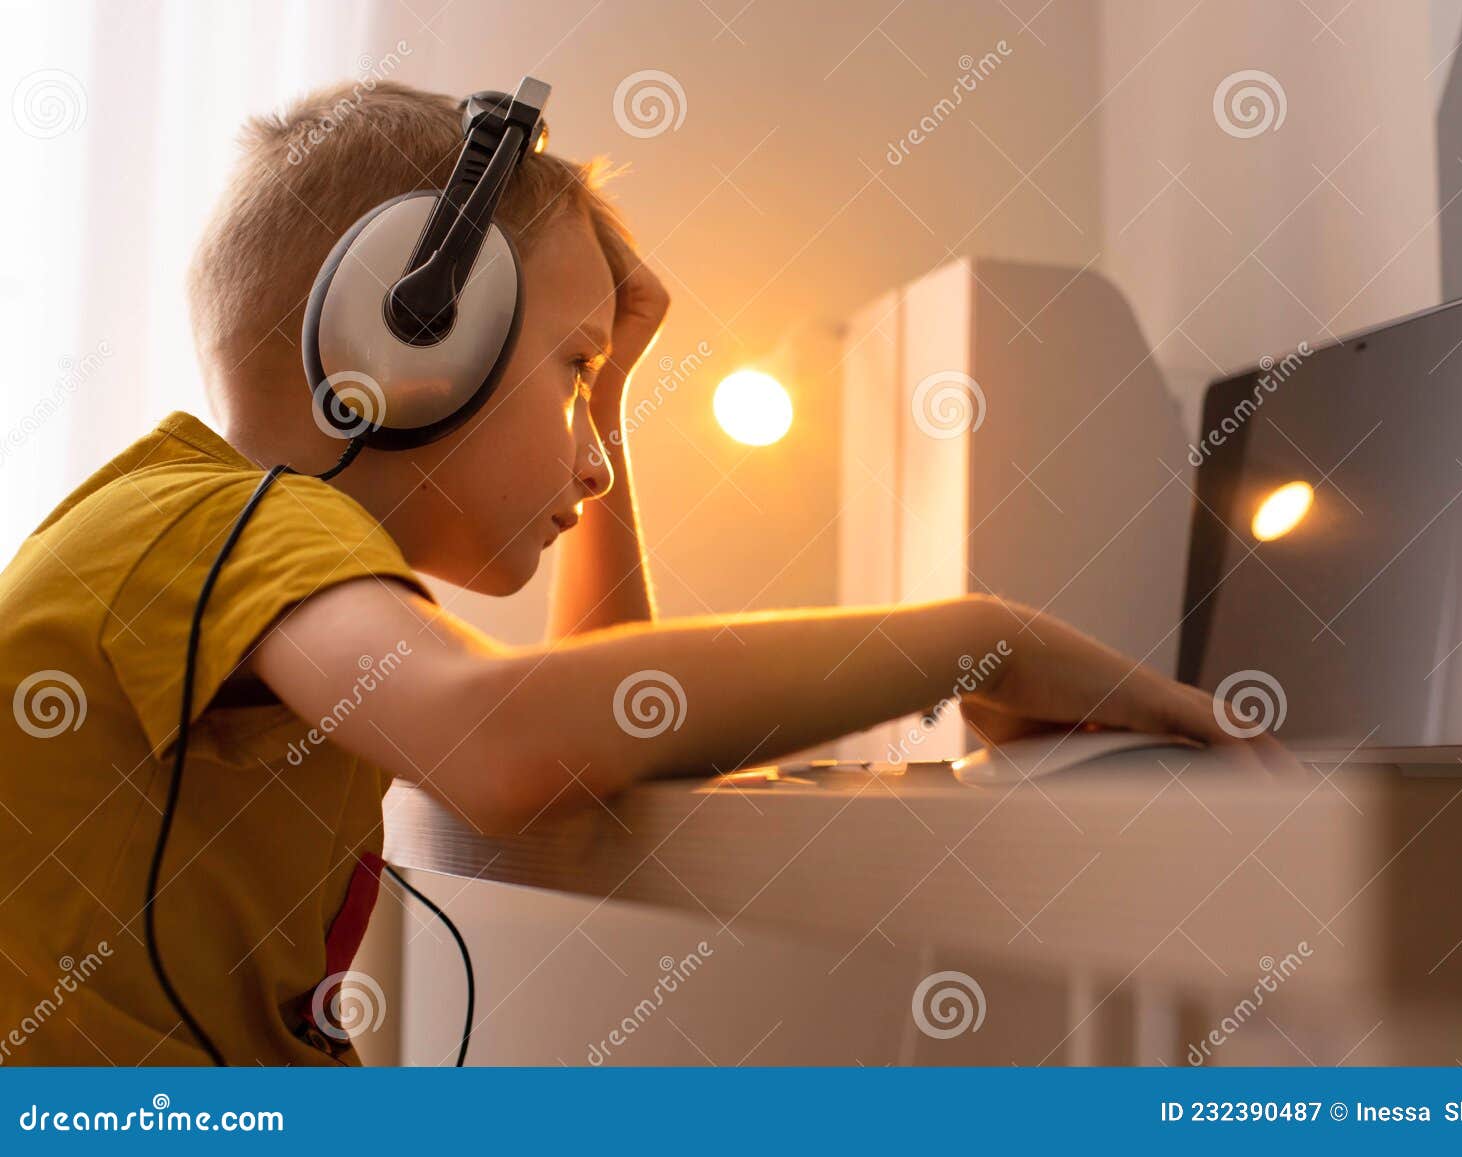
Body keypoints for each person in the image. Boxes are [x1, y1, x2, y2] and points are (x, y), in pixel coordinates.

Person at [0, 80, 1281, 1067]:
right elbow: (499, 743)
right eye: (570, 370)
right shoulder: (239, 529)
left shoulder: (228, 538)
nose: (595, 462)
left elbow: (620, 727)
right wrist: (977, 635)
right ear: (407, 343)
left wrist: (612, 383)